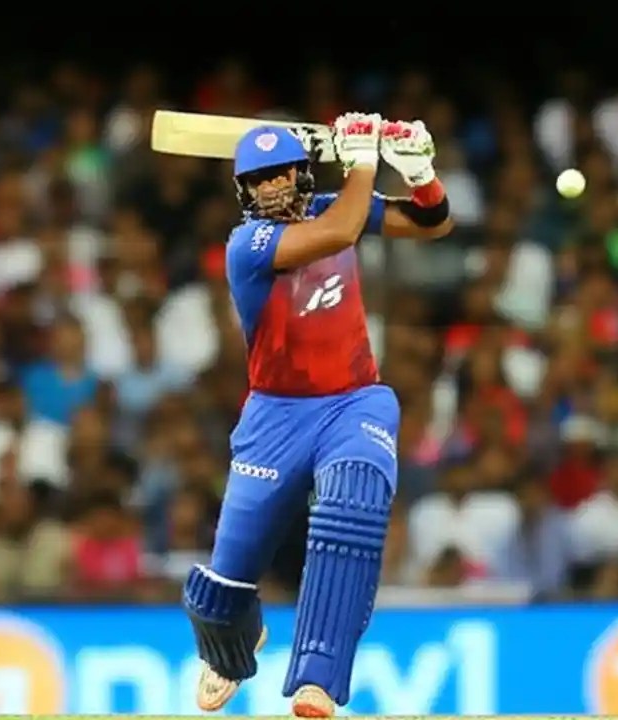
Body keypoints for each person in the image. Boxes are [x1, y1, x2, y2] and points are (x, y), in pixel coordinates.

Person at [181, 113, 454, 717]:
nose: (273, 187)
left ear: (303, 173)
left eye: (281, 173)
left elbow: (433, 223)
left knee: (352, 503)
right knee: (220, 594)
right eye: (259, 180)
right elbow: (338, 234)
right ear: (244, 192)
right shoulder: (246, 245)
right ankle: (234, 643)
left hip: (354, 400)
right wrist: (363, 160)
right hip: (274, 420)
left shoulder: (337, 203)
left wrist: (422, 173)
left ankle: (318, 679)